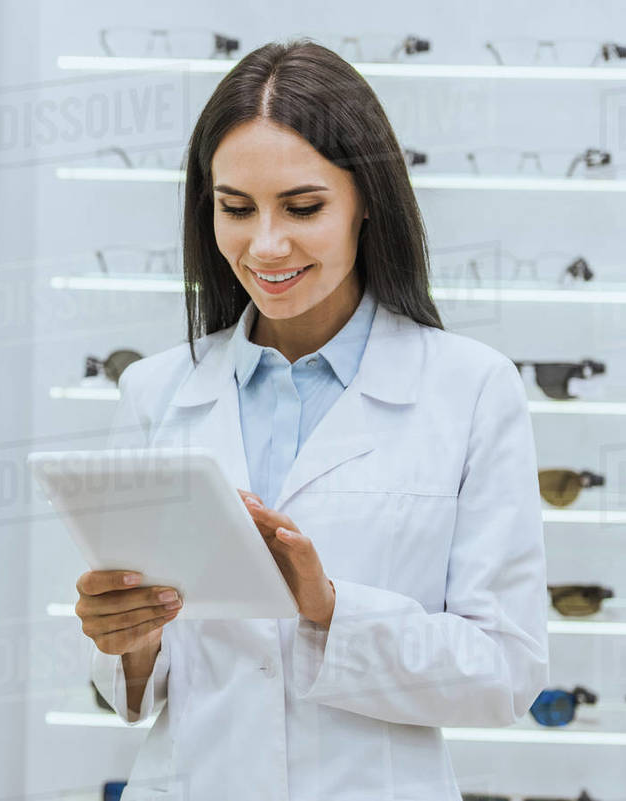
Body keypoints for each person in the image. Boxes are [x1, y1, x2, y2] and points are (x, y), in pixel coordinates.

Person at [74, 39, 549, 800]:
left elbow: (507, 672)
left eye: (303, 207)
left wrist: (331, 608)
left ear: (367, 199)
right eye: (235, 208)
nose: (265, 244)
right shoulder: (154, 392)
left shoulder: (471, 390)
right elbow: (136, 688)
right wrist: (126, 640)